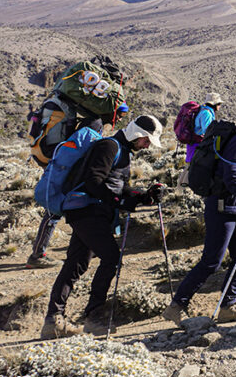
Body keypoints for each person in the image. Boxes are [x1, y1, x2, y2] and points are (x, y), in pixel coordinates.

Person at [40, 115, 165, 338]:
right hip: (87, 210)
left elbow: (119, 187)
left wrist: (144, 196)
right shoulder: (109, 146)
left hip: (90, 210)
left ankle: (54, 320)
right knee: (110, 257)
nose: (147, 146)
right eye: (146, 140)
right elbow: (94, 181)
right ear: (137, 134)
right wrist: (119, 201)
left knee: (76, 263)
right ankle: (94, 316)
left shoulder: (122, 152)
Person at [163, 100, 236, 325]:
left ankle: (228, 306)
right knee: (212, 261)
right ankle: (177, 305)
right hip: (223, 208)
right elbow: (232, 178)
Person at [26, 99, 122, 269]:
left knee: (57, 213)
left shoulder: (77, 136)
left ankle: (49, 252)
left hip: (62, 175)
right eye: (119, 115)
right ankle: (37, 255)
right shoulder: (91, 132)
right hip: (66, 181)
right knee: (53, 214)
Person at [185, 93, 223, 162]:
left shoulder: (203, 110)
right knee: (192, 166)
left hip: (194, 143)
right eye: (219, 103)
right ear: (214, 104)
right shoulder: (207, 113)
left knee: (191, 165)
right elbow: (207, 130)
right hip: (197, 144)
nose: (220, 106)